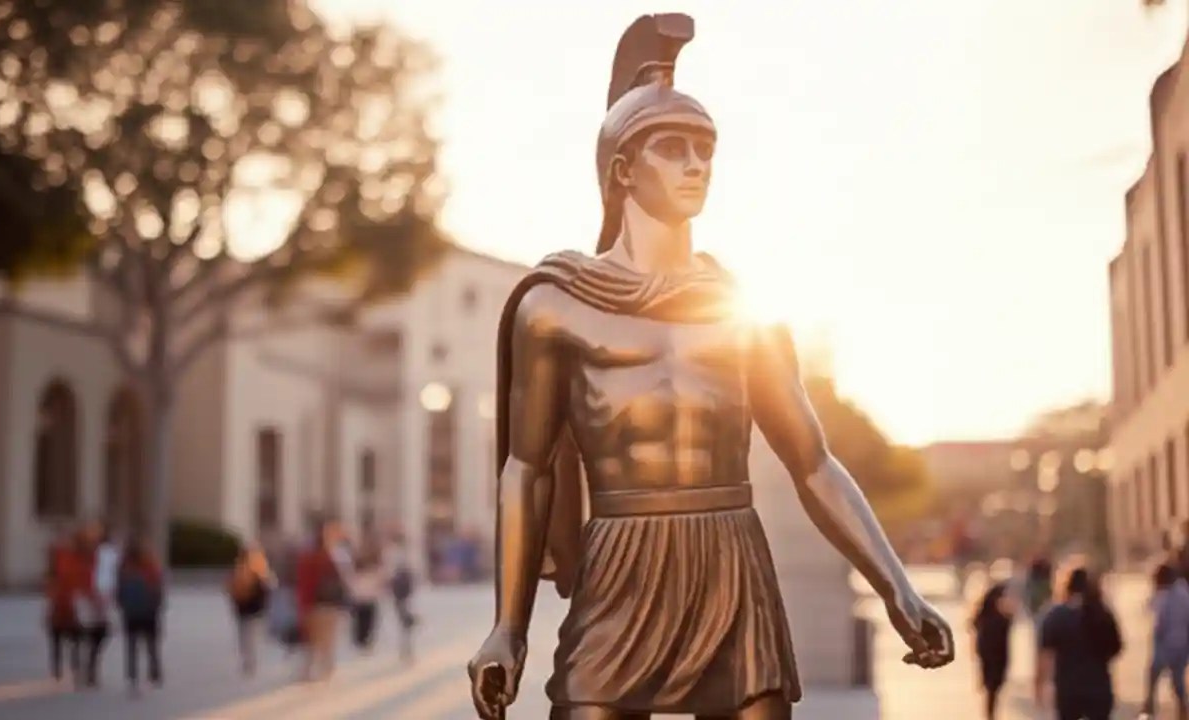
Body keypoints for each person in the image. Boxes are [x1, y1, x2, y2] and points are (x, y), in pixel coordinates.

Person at [467, 13, 954, 720]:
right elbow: (528, 468)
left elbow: (813, 462)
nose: (698, 165)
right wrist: (507, 628)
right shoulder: (556, 307)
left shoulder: (741, 311)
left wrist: (898, 590)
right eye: (674, 147)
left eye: (706, 148)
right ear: (623, 171)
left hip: (731, 559)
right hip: (619, 563)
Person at [1036, 567, 1123, 720]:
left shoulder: (1056, 615)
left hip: (1068, 689)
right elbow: (1116, 648)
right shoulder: (1102, 613)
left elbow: (1045, 656)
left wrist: (1039, 686)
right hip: (1098, 687)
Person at [295, 520, 348, 682]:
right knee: (325, 641)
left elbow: (302, 582)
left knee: (314, 641)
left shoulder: (309, 556)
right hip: (325, 605)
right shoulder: (332, 556)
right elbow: (344, 580)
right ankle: (323, 670)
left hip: (317, 604)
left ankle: (313, 671)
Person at [115, 540, 164, 695]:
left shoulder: (124, 568)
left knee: (131, 646)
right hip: (149, 612)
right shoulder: (150, 566)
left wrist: (123, 606)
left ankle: (132, 676)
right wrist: (156, 605)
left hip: (131, 613)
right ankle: (155, 674)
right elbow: (158, 588)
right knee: (152, 645)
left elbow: (119, 592)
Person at [1143, 563, 1189, 719]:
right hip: (1182, 645)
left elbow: (1154, 613)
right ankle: (1182, 709)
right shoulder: (1183, 592)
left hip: (1166, 645)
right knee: (1177, 680)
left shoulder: (1163, 595)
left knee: (1153, 675)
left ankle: (1148, 708)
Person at [227, 544, 275, 676]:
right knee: (246, 638)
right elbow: (232, 590)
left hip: (253, 611)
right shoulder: (242, 572)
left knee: (248, 637)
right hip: (245, 611)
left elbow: (268, 591)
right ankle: (249, 661)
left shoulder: (260, 572)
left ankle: (250, 662)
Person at [74, 523, 110, 688]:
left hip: (95, 602)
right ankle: (86, 671)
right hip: (83, 602)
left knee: (98, 635)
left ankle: (89, 670)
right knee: (86, 636)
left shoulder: (100, 556)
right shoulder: (79, 559)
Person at [44, 527, 83, 683]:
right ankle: (62, 668)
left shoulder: (70, 558)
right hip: (62, 607)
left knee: (68, 640)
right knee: (60, 639)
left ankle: (69, 667)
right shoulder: (63, 559)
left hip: (68, 607)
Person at [972, 582, 1014, 720]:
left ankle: (991, 714)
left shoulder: (1001, 616)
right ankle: (990, 715)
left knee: (994, 688)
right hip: (992, 656)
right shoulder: (990, 617)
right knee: (992, 688)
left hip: (998, 655)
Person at [384, 531, 418, 661]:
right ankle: (406, 649)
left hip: (401, 589)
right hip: (402, 589)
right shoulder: (399, 553)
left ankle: (406, 649)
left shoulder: (394, 553)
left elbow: (390, 572)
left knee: (403, 619)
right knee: (404, 620)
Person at [348, 540, 385, 653]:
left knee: (364, 622)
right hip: (364, 600)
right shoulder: (364, 572)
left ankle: (363, 641)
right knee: (365, 622)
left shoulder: (369, 571)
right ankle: (363, 641)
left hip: (363, 600)